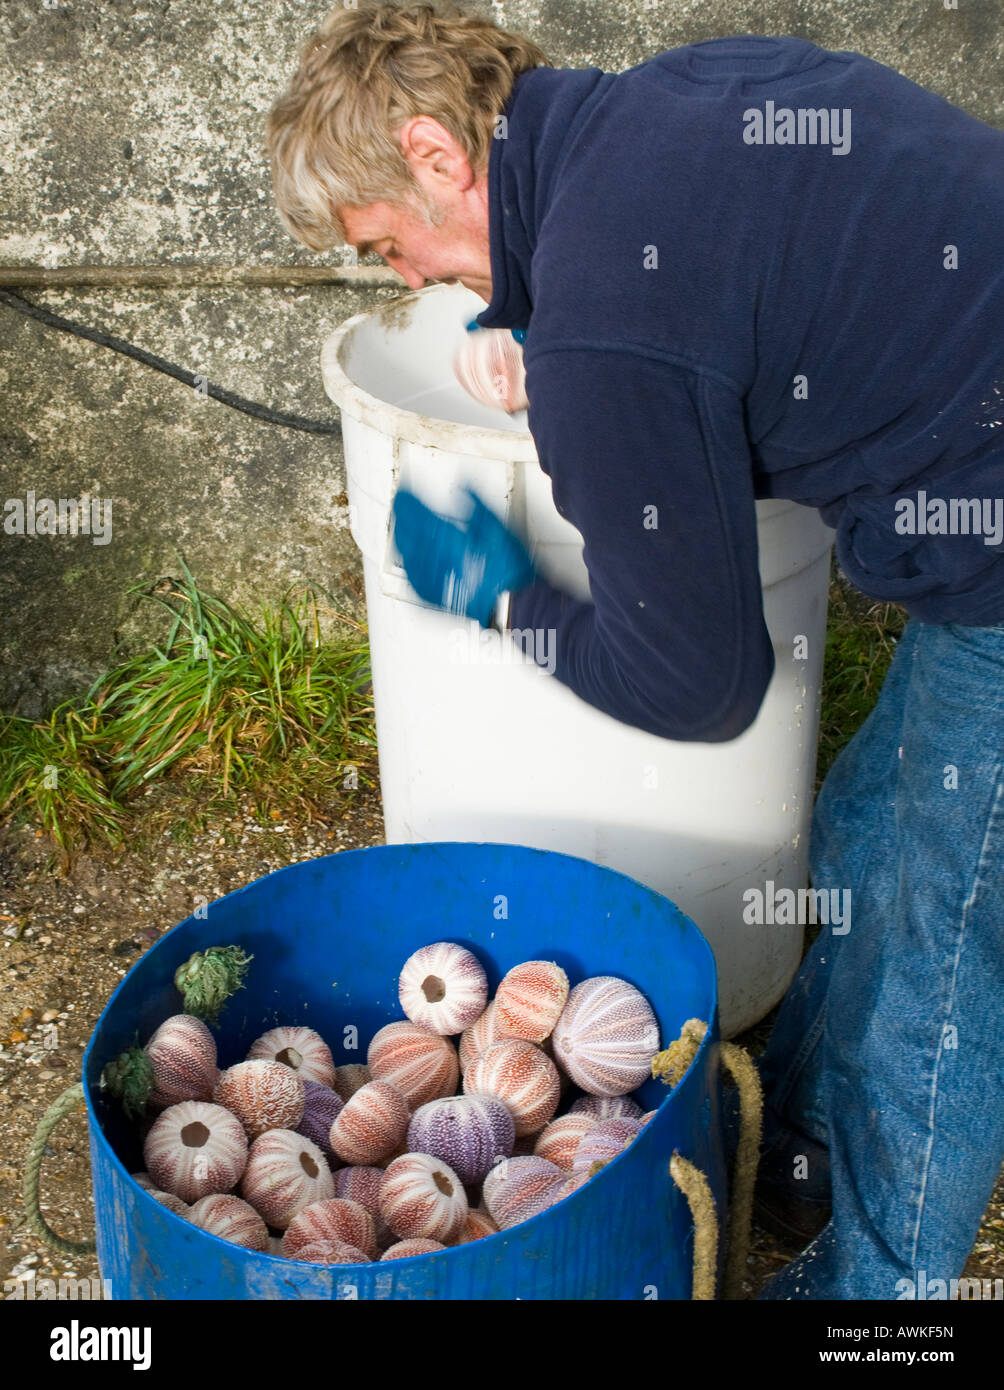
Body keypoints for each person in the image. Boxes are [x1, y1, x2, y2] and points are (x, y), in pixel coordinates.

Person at [267, 3, 1004, 1297]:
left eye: (385, 245)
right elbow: (724, 282)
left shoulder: (613, 317)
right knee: (877, 819)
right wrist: (545, 319)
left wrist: (505, 600)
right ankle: (799, 1137)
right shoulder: (673, 101)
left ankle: (882, 1300)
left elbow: (700, 684)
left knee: (950, 941)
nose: (404, 280)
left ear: (438, 154)